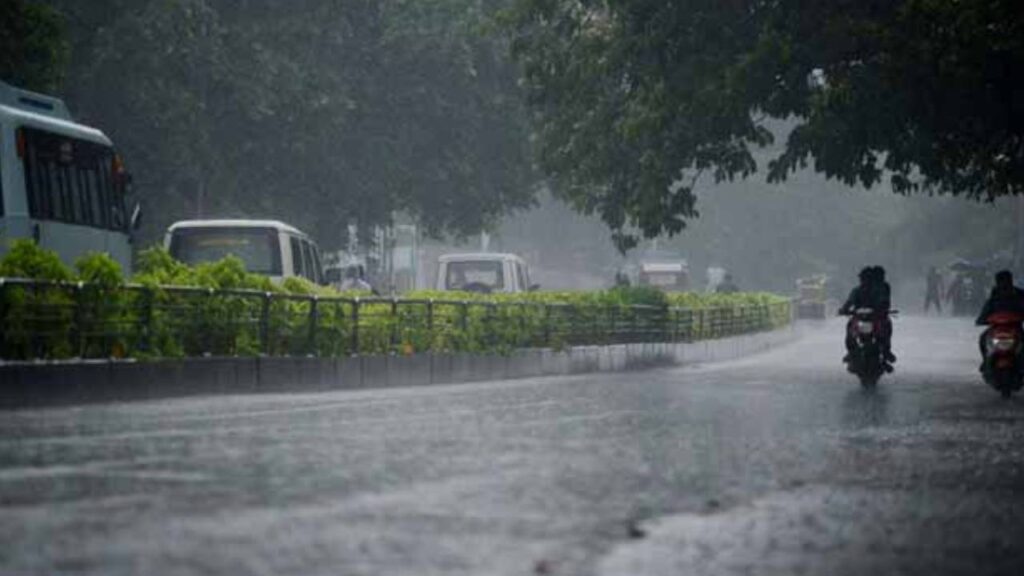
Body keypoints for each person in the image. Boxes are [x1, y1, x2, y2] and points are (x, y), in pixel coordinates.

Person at [975, 270, 1024, 369]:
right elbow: (987, 308)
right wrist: (981, 319)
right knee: (983, 339)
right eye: (1000, 280)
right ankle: (985, 361)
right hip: (996, 328)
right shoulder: (994, 295)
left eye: (1005, 280)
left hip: (1015, 328)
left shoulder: (1020, 294)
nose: (1003, 283)